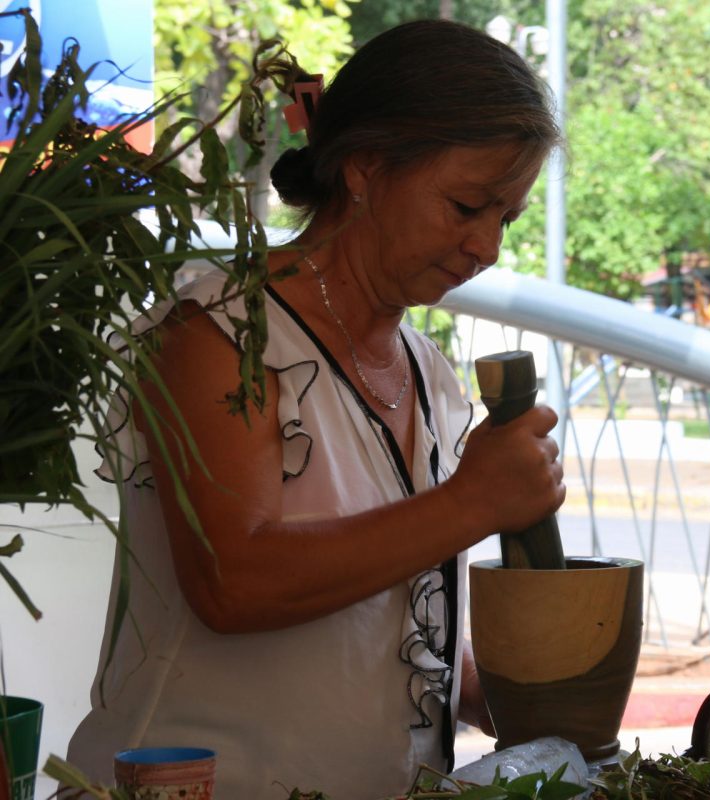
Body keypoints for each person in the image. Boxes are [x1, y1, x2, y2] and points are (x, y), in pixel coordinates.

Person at [68, 19, 565, 799]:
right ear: (366, 170)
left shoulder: (431, 379)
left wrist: (551, 700)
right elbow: (235, 582)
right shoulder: (221, 334)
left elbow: (397, 629)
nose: (488, 248)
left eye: (506, 219)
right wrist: (473, 502)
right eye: (467, 205)